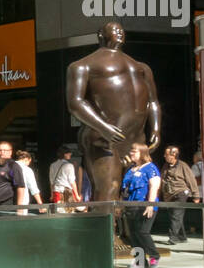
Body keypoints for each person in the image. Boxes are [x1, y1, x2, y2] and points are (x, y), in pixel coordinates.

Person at [67, 21, 161, 204]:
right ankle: (103, 233)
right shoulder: (82, 65)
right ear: (101, 35)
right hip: (104, 139)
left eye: (121, 30)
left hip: (136, 139)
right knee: (108, 189)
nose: (119, 32)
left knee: (136, 192)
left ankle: (129, 232)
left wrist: (156, 129)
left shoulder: (141, 67)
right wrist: (103, 128)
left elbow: (153, 101)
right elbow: (75, 102)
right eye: (113, 30)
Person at [122, 143, 161, 268]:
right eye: (131, 151)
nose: (131, 154)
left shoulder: (150, 168)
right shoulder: (131, 169)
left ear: (142, 153)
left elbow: (154, 186)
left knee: (143, 232)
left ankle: (154, 255)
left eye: (134, 151)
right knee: (133, 234)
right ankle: (140, 260)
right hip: (130, 205)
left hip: (144, 205)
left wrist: (150, 204)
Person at [159, 145, 200, 245]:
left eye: (167, 154)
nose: (165, 156)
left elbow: (191, 180)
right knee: (175, 216)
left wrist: (196, 195)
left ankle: (172, 238)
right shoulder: (165, 166)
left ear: (174, 155)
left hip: (180, 193)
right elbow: (162, 180)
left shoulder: (183, 166)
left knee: (176, 215)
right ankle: (182, 236)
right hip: (169, 195)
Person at [0, 140, 27, 209]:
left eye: (5, 150)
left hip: (7, 207)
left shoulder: (13, 166)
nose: (2, 152)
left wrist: (19, 207)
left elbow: (20, 187)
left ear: (10, 152)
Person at [48, 145, 81, 212]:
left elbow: (51, 181)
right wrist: (77, 195)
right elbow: (72, 182)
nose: (70, 154)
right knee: (69, 212)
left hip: (56, 191)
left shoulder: (52, 165)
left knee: (58, 212)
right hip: (67, 193)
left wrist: (51, 194)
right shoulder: (69, 165)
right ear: (65, 154)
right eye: (69, 153)